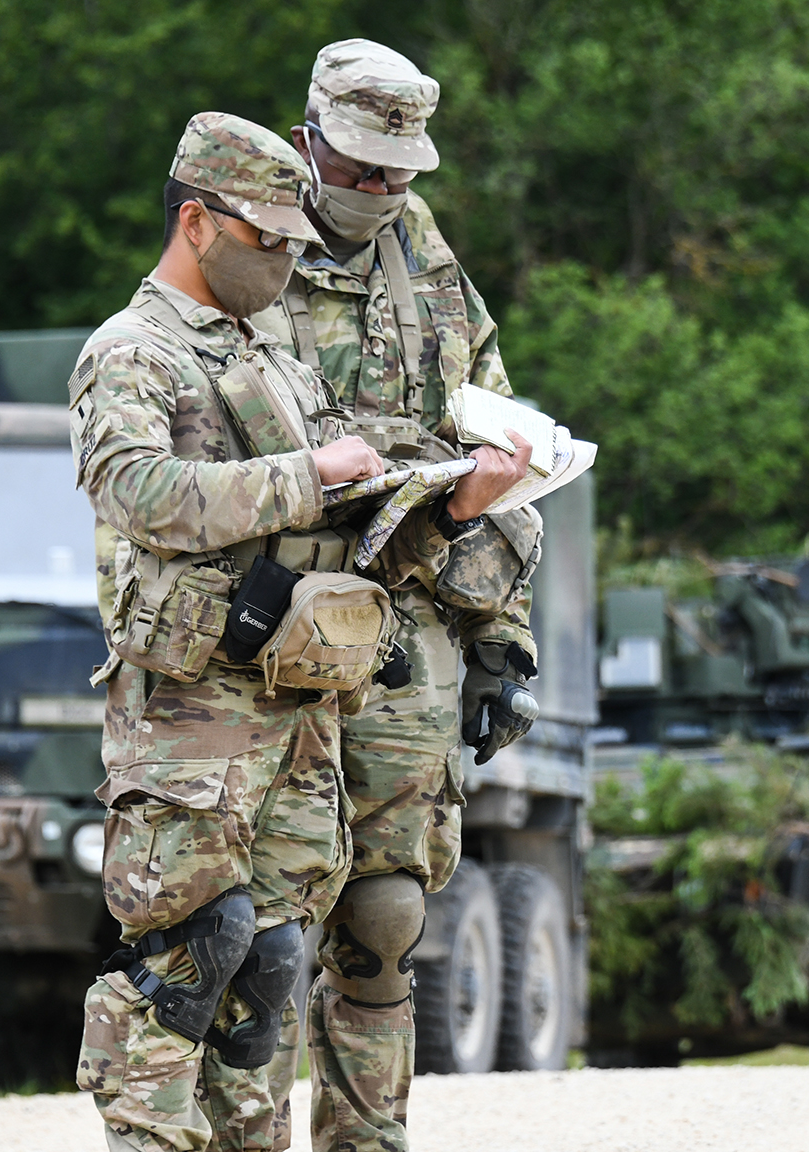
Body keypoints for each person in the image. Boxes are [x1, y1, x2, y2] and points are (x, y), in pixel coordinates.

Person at [71, 110, 399, 1152]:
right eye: (269, 238)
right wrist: (313, 476)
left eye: (296, 239)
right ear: (200, 222)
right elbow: (140, 493)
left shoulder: (269, 352)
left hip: (293, 710)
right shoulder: (133, 350)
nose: (287, 259)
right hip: (191, 719)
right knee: (182, 955)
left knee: (268, 969)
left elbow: (318, 502)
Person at [248, 37, 543, 1152]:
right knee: (267, 932)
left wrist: (500, 640)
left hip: (405, 641)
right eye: (362, 167)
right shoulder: (244, 240)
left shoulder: (426, 260)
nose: (379, 191)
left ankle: (366, 1144)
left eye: (399, 172)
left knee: (382, 919)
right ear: (307, 130)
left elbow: (500, 443)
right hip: (273, 635)